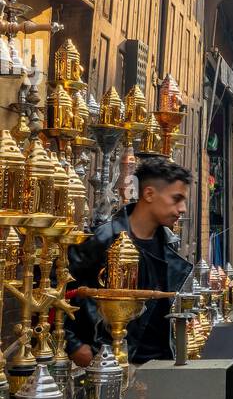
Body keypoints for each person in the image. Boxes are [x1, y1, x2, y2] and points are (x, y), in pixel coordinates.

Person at [66, 155, 193, 366]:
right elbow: (60, 289)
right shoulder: (104, 239)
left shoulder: (169, 244)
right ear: (149, 194)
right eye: (176, 199)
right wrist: (74, 346)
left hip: (162, 364)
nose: (183, 209)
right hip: (109, 360)